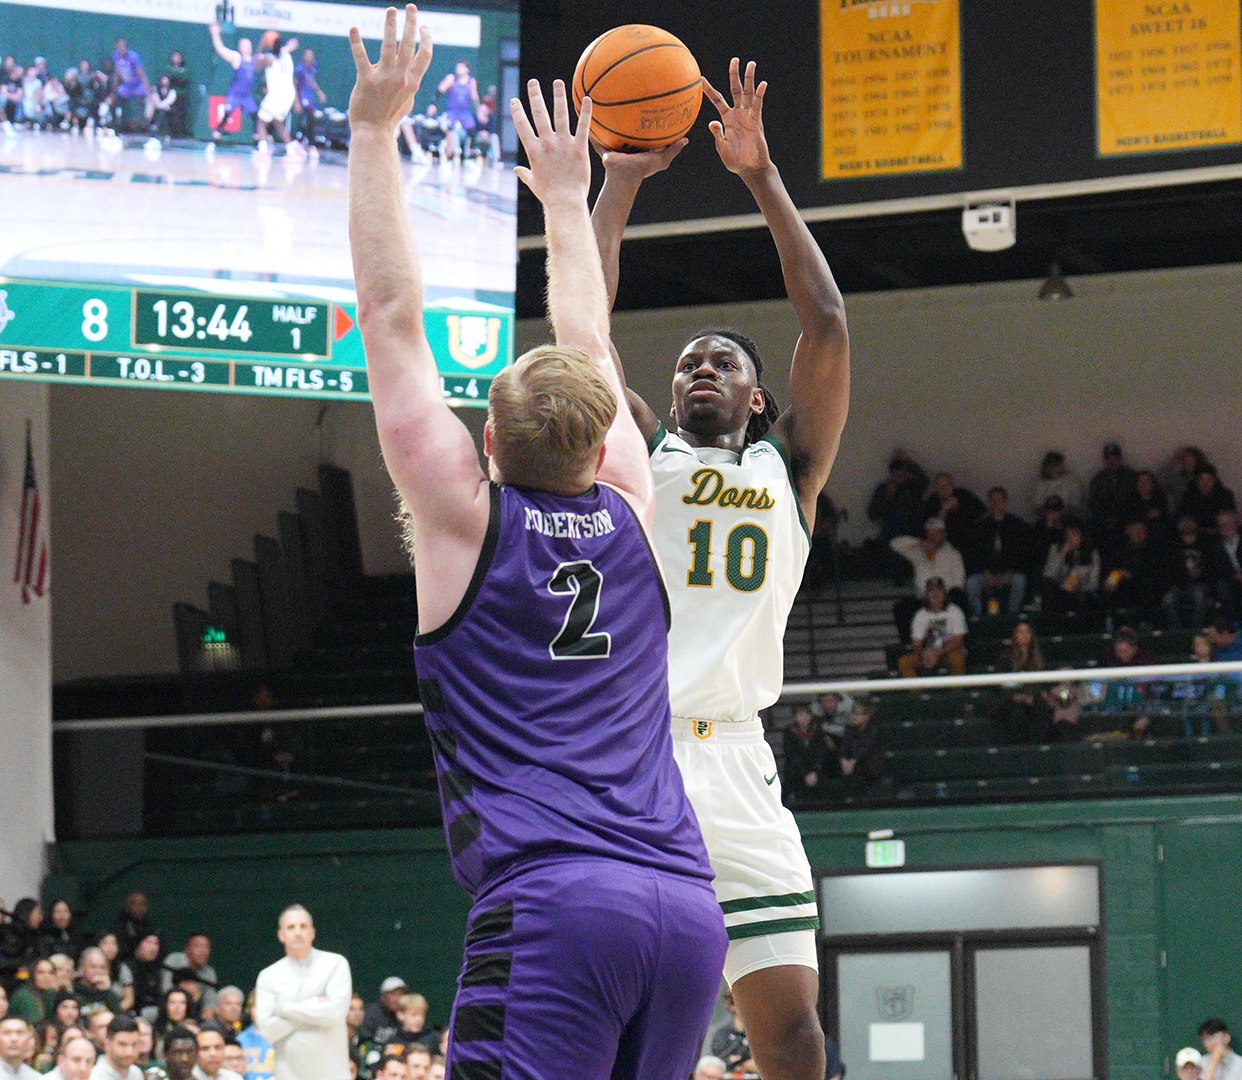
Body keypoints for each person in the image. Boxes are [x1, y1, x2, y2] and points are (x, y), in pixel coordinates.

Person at [351, 19, 727, 1078]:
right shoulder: (633, 501)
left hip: (561, 906)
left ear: (486, 444)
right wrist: (569, 198)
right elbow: (586, 339)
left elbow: (389, 315)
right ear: (607, 436)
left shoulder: (465, 522)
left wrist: (376, 135)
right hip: (687, 912)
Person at [592, 52, 850, 1080]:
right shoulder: (644, 458)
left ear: (756, 398)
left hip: (737, 759)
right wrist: (620, 183)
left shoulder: (793, 473)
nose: (700, 364)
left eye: (724, 361)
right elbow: (585, 324)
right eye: (686, 358)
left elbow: (826, 322)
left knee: (790, 1029)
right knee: (615, 1021)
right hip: (636, 756)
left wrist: (760, 175)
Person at [250, 906, 349, 1080]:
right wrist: (314, 1008)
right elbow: (267, 1031)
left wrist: (283, 1009)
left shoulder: (335, 964)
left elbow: (335, 1014)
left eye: (303, 926)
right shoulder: (268, 976)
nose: (298, 932)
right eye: (291, 927)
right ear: (281, 935)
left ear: (312, 933)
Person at [889, 519, 966, 642]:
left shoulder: (953, 554)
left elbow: (959, 582)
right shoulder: (917, 552)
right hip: (924, 600)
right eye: (930, 534)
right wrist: (919, 543)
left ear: (943, 534)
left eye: (936, 533)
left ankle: (961, 641)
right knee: (901, 607)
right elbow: (895, 543)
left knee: (958, 595)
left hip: (947, 599)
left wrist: (940, 597)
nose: (933, 537)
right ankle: (909, 645)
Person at [965, 489, 1034, 617]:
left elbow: (1023, 554)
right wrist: (985, 573)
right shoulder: (980, 526)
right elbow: (974, 554)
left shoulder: (1017, 525)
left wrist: (1009, 573)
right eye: (993, 500)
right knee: (971, 583)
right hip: (986, 574)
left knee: (1020, 580)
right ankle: (978, 618)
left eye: (999, 500)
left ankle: (1012, 617)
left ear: (1006, 502)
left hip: (1009, 574)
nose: (996, 503)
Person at [1165, 516, 1224, 630]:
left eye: (1191, 533)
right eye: (1184, 533)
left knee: (1199, 596)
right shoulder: (1173, 547)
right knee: (1168, 600)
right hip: (1180, 585)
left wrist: (1202, 574)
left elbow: (1212, 571)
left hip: (1200, 584)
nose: (1188, 537)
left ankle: (1196, 631)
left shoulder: (1205, 545)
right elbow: (1169, 571)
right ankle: (1176, 632)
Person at [900, 579, 967, 677]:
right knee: (904, 662)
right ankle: (917, 692)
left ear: (944, 593)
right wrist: (924, 654)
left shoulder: (955, 611)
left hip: (949, 652)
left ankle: (957, 692)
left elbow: (958, 640)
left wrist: (938, 653)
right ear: (926, 595)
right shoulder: (920, 614)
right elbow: (916, 642)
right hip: (926, 653)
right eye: (931, 591)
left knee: (957, 659)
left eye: (938, 590)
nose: (935, 594)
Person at [207, 25, 258, 140]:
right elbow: (221, 49)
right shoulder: (237, 57)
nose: (247, 47)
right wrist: (215, 34)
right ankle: (216, 136)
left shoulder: (256, 60)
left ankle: (259, 141)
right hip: (235, 93)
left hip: (246, 95)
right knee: (227, 114)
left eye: (248, 45)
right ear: (240, 47)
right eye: (244, 45)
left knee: (256, 117)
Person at [866, 453, 929, 541]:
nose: (900, 475)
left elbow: (925, 481)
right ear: (892, 473)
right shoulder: (884, 489)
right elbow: (873, 515)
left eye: (903, 472)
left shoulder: (912, 486)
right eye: (896, 473)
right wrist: (887, 497)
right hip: (892, 533)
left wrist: (909, 461)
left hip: (914, 532)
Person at [1087, 443, 1135, 539]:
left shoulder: (1131, 476)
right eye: (1109, 457)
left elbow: (1135, 499)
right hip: (1104, 521)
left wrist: (1122, 517)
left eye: (1115, 457)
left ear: (1120, 458)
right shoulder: (1098, 479)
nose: (1112, 460)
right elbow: (1093, 502)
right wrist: (1106, 518)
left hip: (1127, 518)